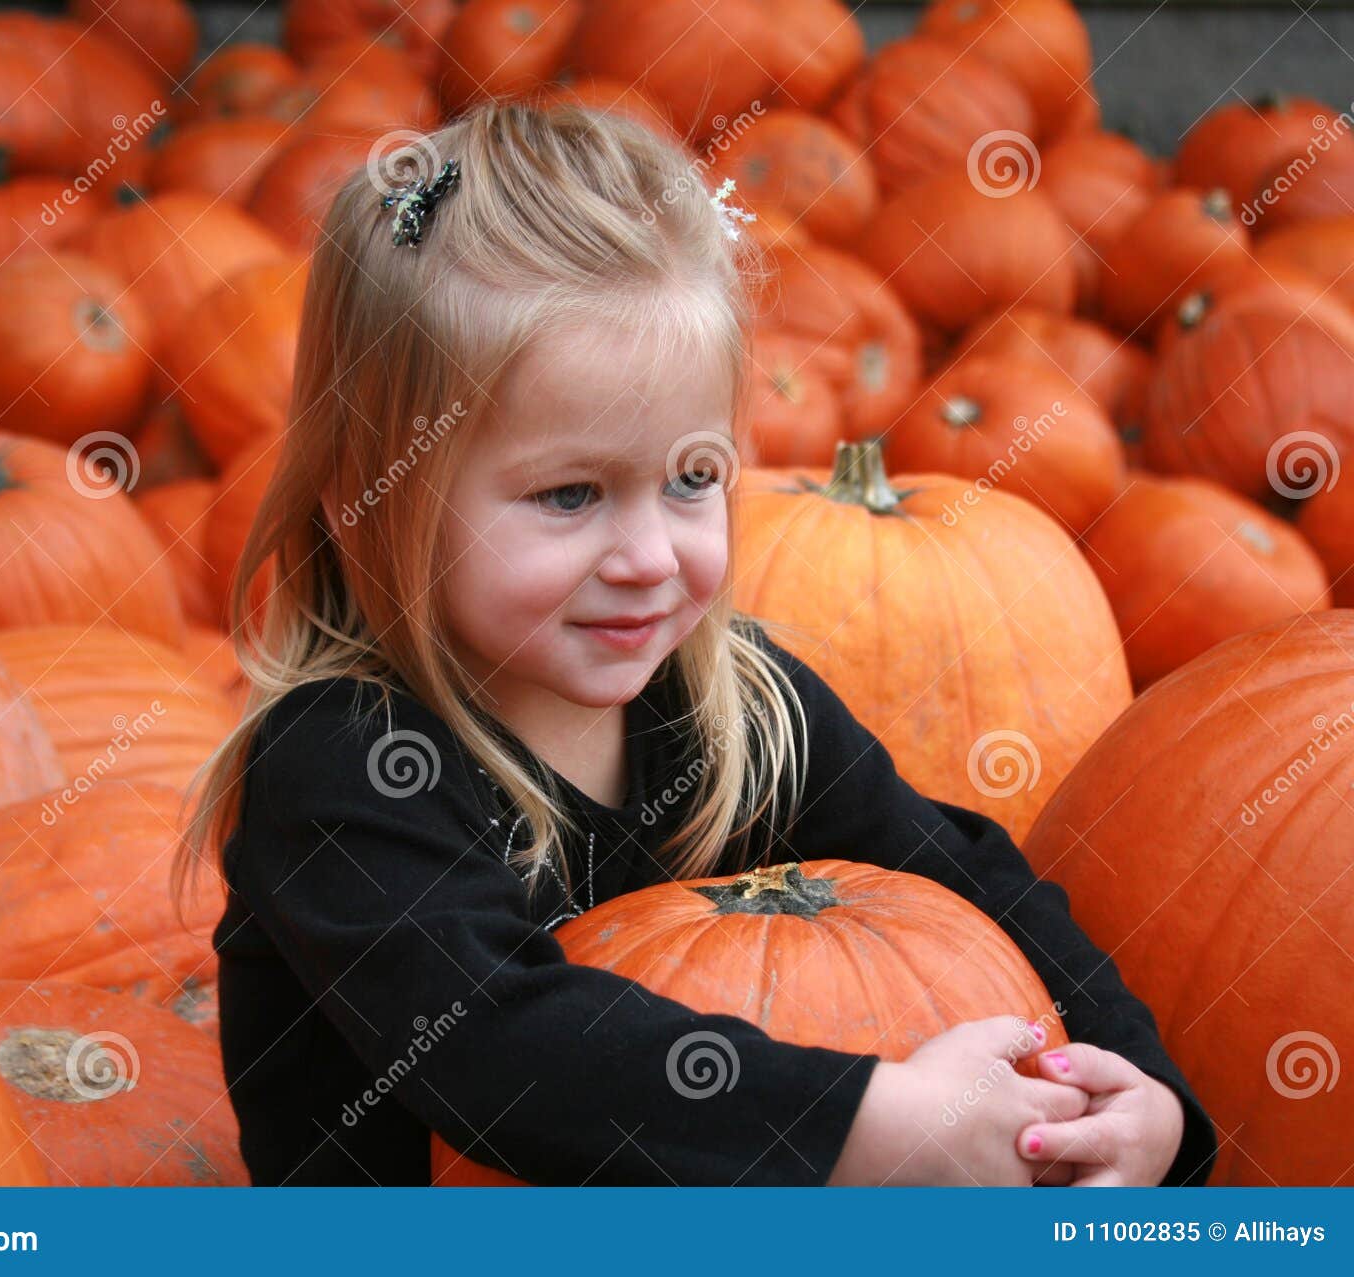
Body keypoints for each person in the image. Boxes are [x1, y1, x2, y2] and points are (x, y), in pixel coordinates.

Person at [175, 100, 1216, 1188]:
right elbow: (499, 1048)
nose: (647, 555)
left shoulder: (739, 705)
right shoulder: (343, 766)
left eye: (691, 479)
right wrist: (859, 1124)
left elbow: (972, 881)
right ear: (372, 504)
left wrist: (1143, 1098)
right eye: (569, 493)